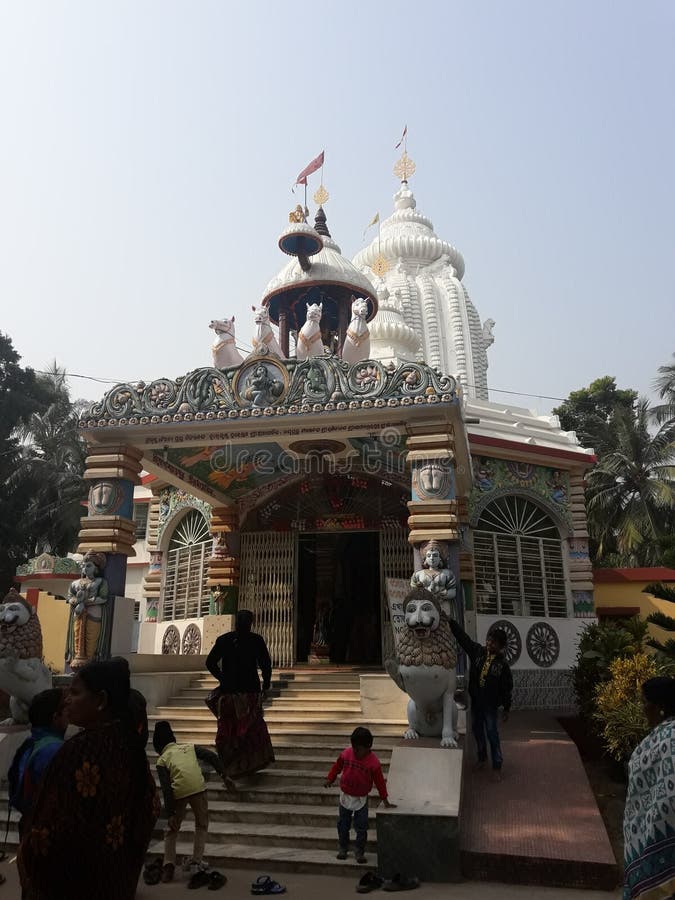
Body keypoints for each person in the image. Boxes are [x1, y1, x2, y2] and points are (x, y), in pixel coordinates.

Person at [17, 658, 158, 900]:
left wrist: (25, 855)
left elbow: (48, 835)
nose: (67, 699)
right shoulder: (132, 749)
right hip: (116, 884)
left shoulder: (78, 753)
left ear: (101, 700)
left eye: (75, 692)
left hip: (75, 885)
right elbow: (149, 811)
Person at [152, 720, 226, 887]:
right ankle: (196, 862)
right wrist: (224, 774)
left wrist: (170, 814)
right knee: (201, 825)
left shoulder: (162, 759)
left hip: (179, 793)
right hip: (198, 789)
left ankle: (168, 865)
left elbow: (166, 788)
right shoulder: (188, 747)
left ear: (158, 744)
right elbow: (212, 756)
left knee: (171, 830)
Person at [205, 609, 275, 779]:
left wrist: (223, 679)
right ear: (250, 623)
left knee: (228, 731)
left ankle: (230, 766)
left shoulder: (224, 640)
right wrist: (265, 686)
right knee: (251, 730)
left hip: (229, 693)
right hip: (249, 692)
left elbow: (210, 662)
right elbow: (266, 665)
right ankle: (247, 765)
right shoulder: (256, 641)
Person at [624, 677, 675, 899]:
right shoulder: (662, 737)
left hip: (659, 835)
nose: (642, 708)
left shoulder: (666, 740)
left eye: (644, 702)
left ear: (659, 707)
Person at [449, 620, 512, 779]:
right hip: (476, 702)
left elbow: (506, 688)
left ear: (501, 646)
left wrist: (506, 708)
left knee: (492, 733)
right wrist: (450, 622)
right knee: (477, 731)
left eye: (494, 643)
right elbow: (464, 639)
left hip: (490, 706)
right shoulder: (478, 652)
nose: (490, 644)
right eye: (489, 640)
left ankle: (497, 766)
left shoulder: (502, 666)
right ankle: (482, 758)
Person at [324, 726, 395, 864]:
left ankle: (359, 851)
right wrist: (330, 778)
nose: (355, 751)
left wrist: (385, 799)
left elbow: (380, 782)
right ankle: (343, 848)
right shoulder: (346, 754)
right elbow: (337, 766)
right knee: (343, 825)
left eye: (358, 749)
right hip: (345, 796)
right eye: (354, 747)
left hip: (361, 799)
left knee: (361, 827)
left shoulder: (373, 763)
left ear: (368, 747)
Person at [8, 689, 67, 839]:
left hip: (31, 828)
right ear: (56, 717)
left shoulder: (33, 743)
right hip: (47, 834)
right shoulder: (54, 751)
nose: (71, 711)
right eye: (67, 707)